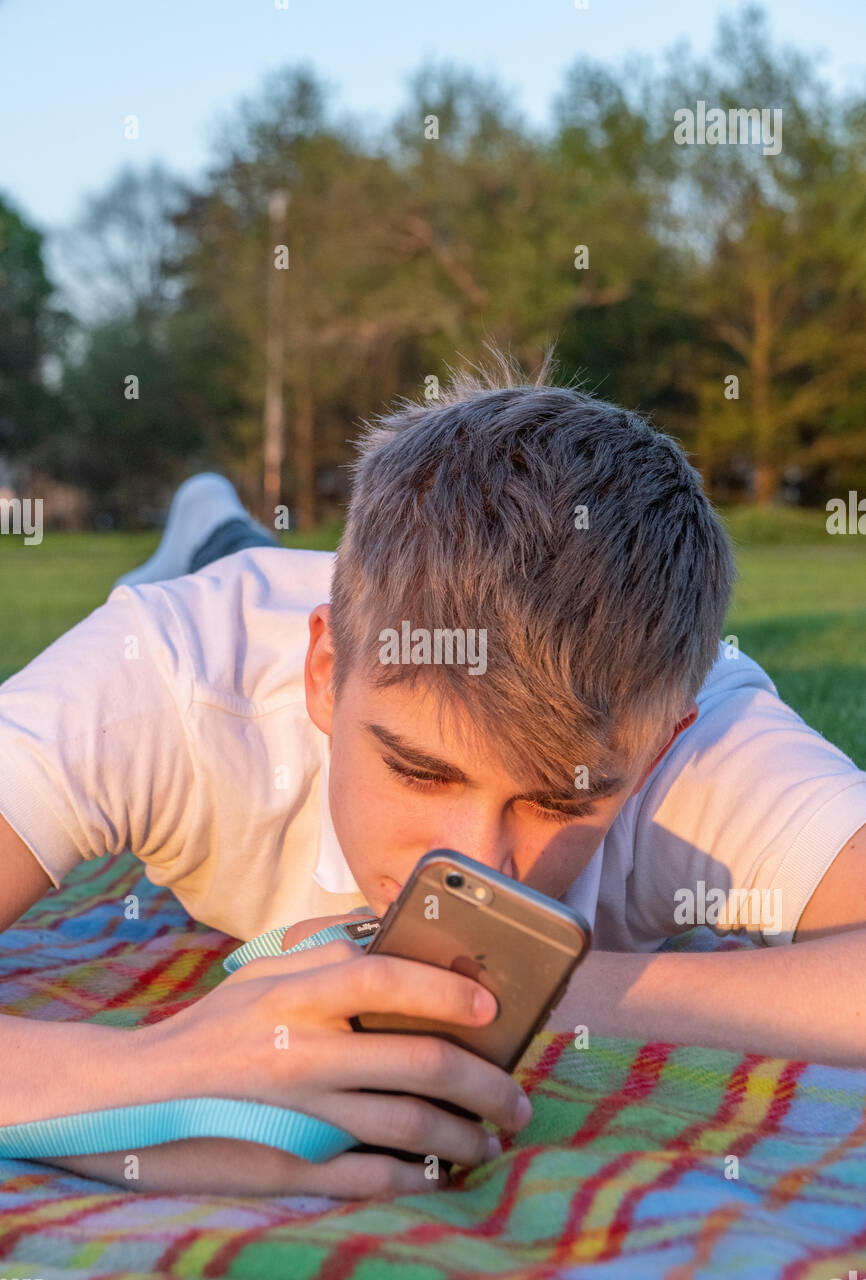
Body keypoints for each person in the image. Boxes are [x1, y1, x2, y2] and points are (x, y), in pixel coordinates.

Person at [1, 348, 865, 1200]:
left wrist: (535, 991)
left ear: (662, 743)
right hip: (225, 600)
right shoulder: (170, 674)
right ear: (322, 673)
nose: (477, 863)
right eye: (419, 770)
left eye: (560, 798)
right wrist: (146, 1078)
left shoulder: (695, 733)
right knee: (225, 553)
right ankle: (210, 522)